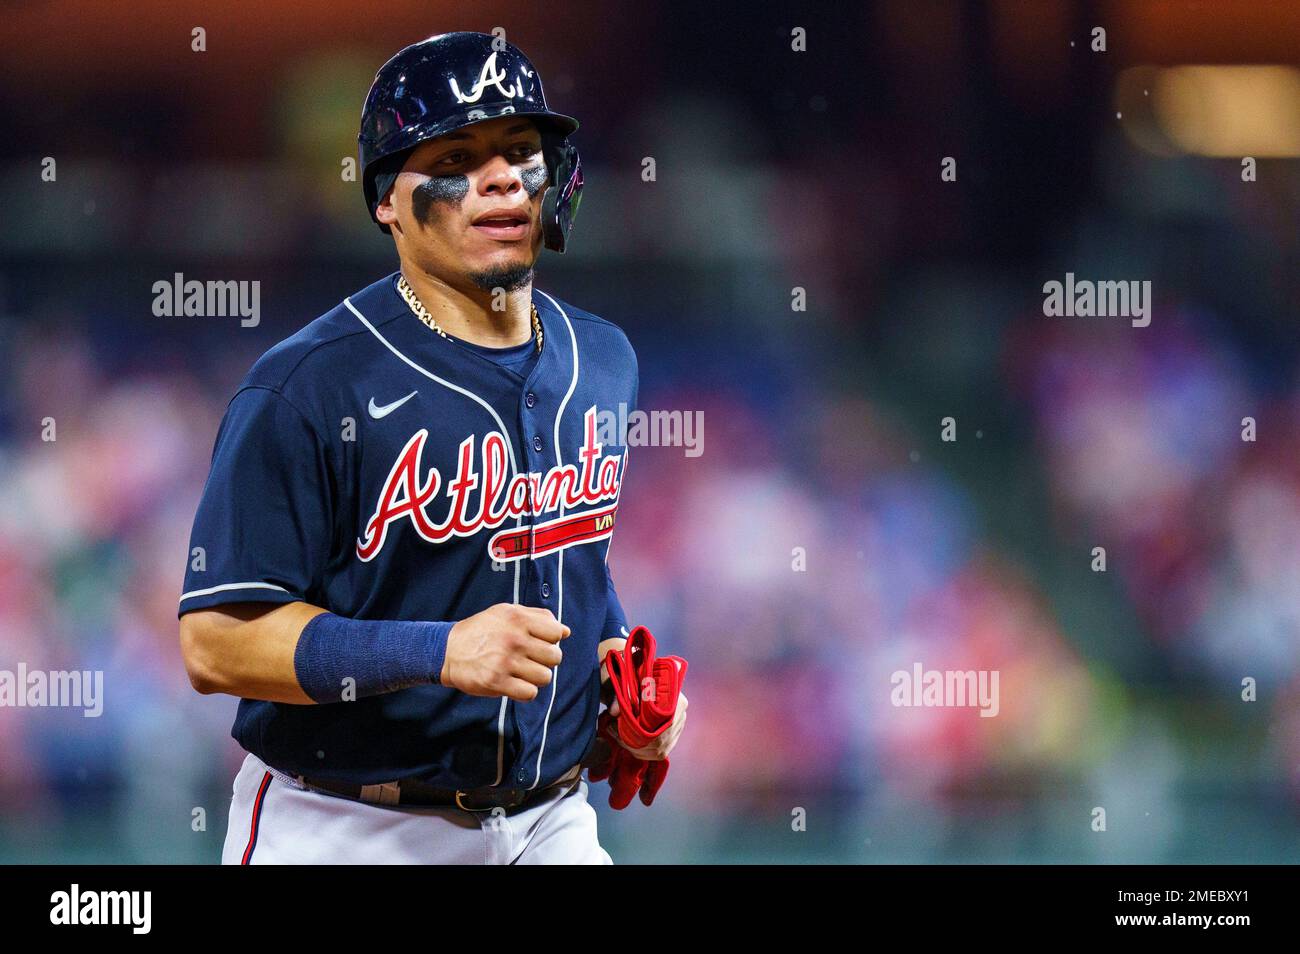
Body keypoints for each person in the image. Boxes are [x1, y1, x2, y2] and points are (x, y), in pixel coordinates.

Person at [177, 31, 686, 865]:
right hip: (348, 823)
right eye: (456, 156)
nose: (498, 178)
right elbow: (217, 641)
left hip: (550, 820)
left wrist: (611, 683)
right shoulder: (306, 387)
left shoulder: (603, 359)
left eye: (519, 150)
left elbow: (565, 560)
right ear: (386, 200)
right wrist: (439, 651)